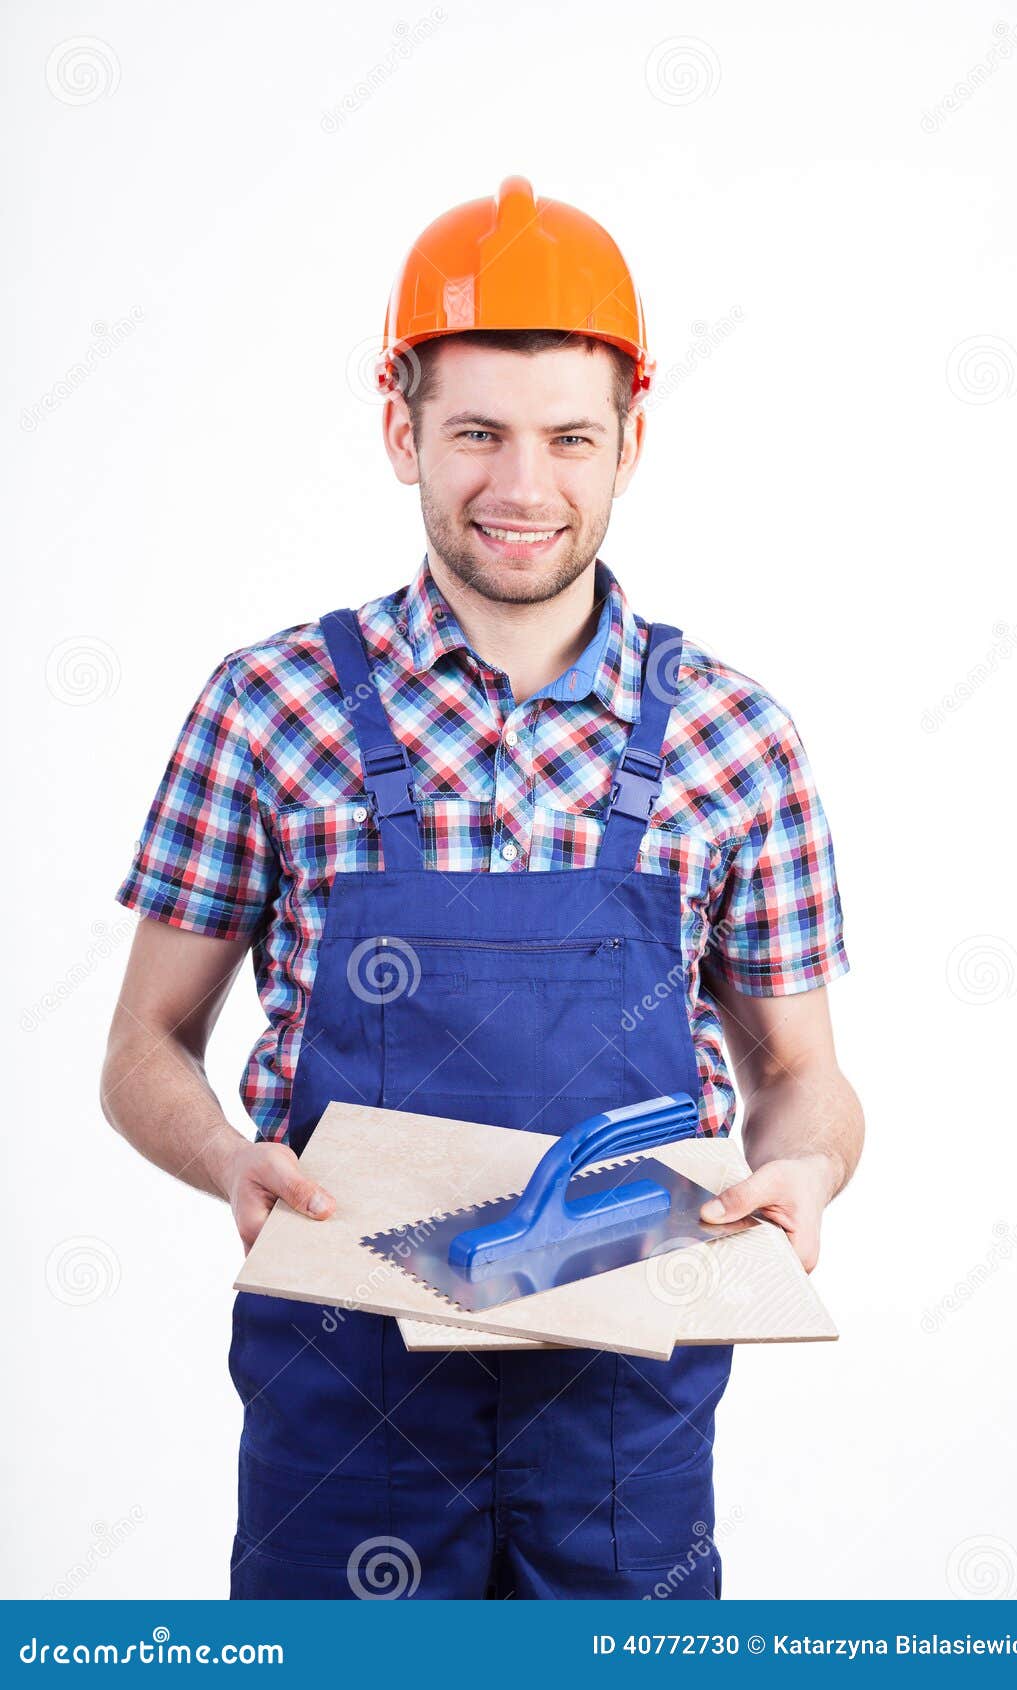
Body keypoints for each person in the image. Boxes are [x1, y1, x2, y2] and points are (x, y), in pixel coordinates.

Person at [101, 175, 864, 1600]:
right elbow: (143, 1046)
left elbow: (804, 1075)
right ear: (402, 429)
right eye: (478, 434)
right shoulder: (270, 710)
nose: (524, 487)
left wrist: (806, 1164)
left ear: (633, 438)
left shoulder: (733, 736)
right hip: (345, 1420)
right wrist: (225, 1159)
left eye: (571, 436)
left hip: (626, 1432)